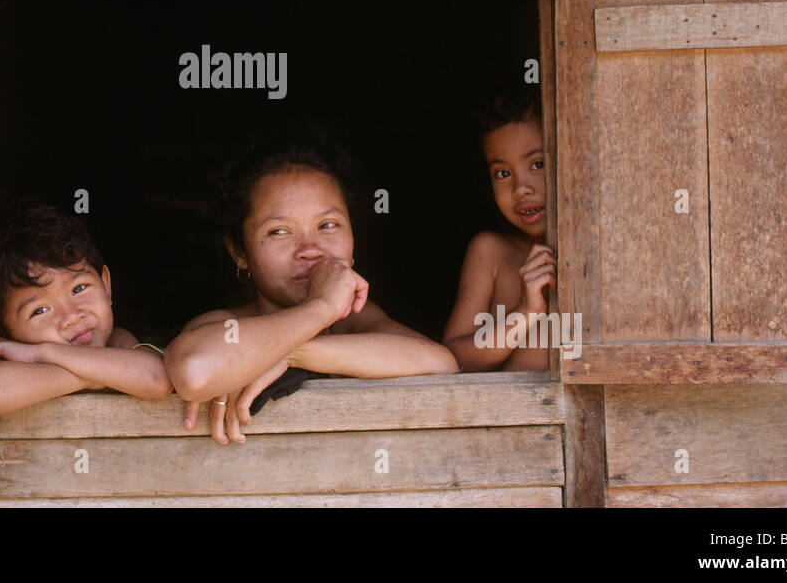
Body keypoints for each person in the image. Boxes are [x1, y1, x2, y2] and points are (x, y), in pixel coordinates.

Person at [165, 143, 458, 445]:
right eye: (279, 231)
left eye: (328, 225)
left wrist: (292, 354)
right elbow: (195, 371)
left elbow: (441, 362)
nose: (310, 250)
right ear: (239, 252)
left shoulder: (355, 321)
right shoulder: (224, 325)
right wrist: (324, 306)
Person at [0, 199, 171, 416]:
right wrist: (98, 376)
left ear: (106, 286)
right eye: (40, 310)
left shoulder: (118, 339)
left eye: (79, 288)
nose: (71, 316)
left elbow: (156, 377)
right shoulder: (9, 364)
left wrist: (40, 353)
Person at [442, 88, 555, 371]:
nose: (521, 188)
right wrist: (526, 312)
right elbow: (454, 356)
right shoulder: (491, 252)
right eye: (503, 173)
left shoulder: (600, 250)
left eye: (537, 164)